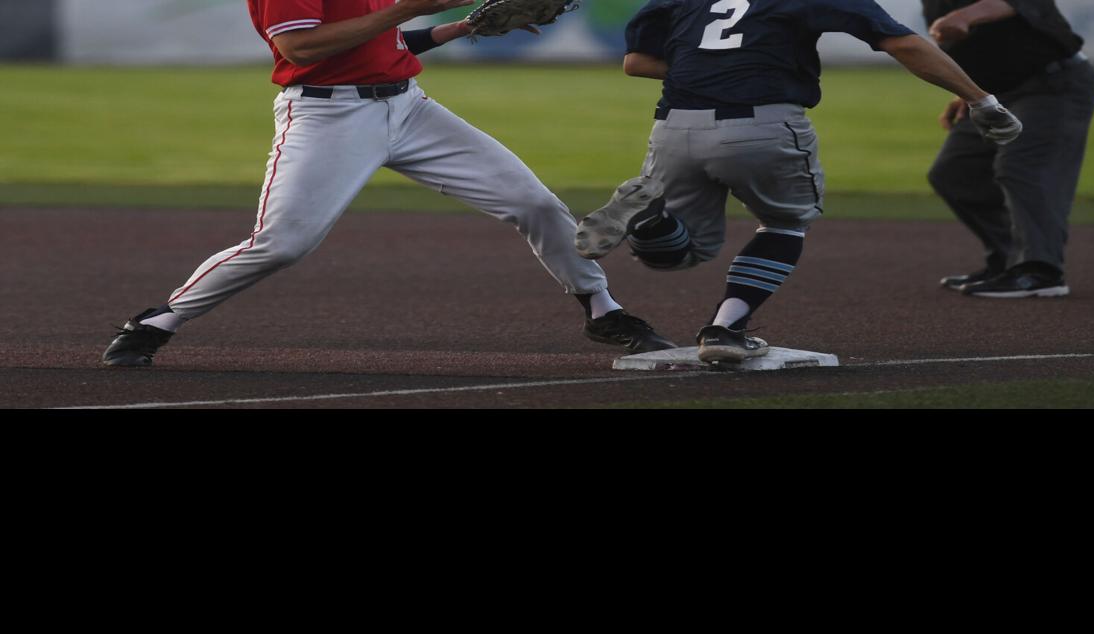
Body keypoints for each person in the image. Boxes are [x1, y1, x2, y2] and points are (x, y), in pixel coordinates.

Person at [102, 0, 675, 368]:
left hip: (410, 108)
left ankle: (603, 311)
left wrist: (462, 27)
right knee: (283, 243)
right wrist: (407, 8)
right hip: (327, 118)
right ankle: (157, 321)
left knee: (534, 202)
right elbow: (299, 47)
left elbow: (386, 44)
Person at [572, 0, 1021, 365]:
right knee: (785, 225)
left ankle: (650, 220)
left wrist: (721, 68)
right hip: (763, 126)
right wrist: (979, 99)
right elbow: (903, 43)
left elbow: (636, 62)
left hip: (674, 128)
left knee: (684, 252)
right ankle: (725, 330)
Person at [923, 0, 1094, 298]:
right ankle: (1009, 261)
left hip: (1052, 84)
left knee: (1022, 168)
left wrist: (964, 15)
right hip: (994, 92)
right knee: (954, 173)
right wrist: (968, 92)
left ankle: (1040, 270)